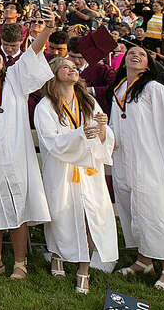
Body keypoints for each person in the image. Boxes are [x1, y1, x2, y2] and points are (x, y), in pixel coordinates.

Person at [0, 10, 56, 279]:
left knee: (18, 206)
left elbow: (32, 54)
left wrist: (47, 30)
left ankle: (19, 262)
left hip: (15, 154)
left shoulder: (15, 79)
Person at [108, 45, 164, 291]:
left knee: (158, 212)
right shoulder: (119, 91)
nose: (135, 55)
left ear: (148, 65)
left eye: (142, 54)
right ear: (123, 61)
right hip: (126, 160)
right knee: (134, 210)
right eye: (130, 53)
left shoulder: (154, 89)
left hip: (153, 161)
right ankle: (144, 260)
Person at [34, 56, 118, 295]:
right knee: (60, 213)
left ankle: (84, 269)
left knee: (90, 215)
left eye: (74, 67)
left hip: (88, 170)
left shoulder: (88, 101)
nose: (72, 70)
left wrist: (102, 129)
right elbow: (52, 142)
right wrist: (80, 135)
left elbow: (104, 137)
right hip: (61, 169)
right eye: (65, 67)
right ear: (54, 74)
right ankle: (58, 255)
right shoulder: (46, 106)